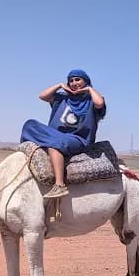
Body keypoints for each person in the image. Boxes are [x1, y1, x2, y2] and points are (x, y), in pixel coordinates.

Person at [20, 69, 106, 199]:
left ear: (86, 82)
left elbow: (99, 103)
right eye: (71, 80)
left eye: (78, 79)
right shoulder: (62, 97)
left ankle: (59, 185)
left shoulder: (91, 100)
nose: (74, 83)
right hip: (54, 134)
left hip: (78, 139)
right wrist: (60, 85)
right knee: (29, 124)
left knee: (55, 144)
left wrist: (89, 90)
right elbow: (42, 96)